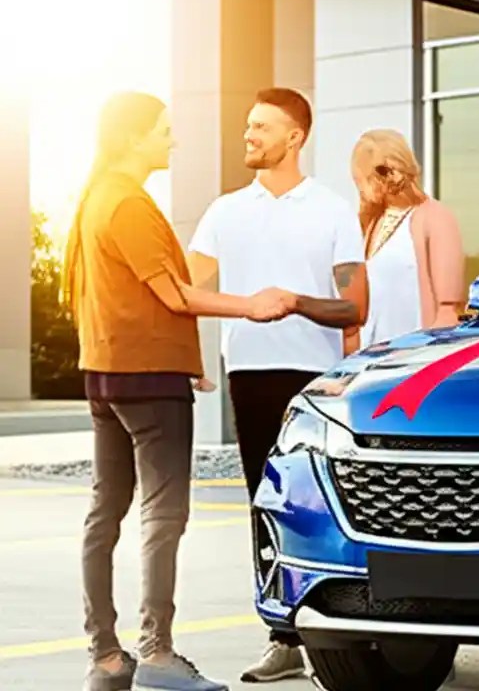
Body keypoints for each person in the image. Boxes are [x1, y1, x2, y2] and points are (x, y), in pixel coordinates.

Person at [65, 91, 293, 691]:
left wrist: (182, 358)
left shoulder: (95, 199)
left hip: (108, 375)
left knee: (105, 510)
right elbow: (176, 295)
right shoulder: (129, 204)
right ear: (133, 136)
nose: (172, 140)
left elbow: (126, 303)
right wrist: (254, 306)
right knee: (164, 514)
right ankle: (158, 654)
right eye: (163, 130)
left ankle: (106, 659)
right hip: (147, 383)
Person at [185, 87, 369, 684]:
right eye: (248, 124)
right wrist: (200, 348)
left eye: (261, 126)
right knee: (263, 504)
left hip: (316, 384)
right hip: (250, 376)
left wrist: (293, 302)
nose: (249, 134)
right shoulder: (224, 211)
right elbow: (182, 293)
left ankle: (351, 629)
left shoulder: (333, 209)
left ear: (295, 137)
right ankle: (281, 635)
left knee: (331, 504)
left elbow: (353, 309)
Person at [351, 128, 466, 346]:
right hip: (371, 359)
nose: (360, 189)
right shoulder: (373, 222)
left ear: (383, 175)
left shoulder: (435, 217)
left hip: (414, 358)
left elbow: (449, 309)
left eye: (362, 180)